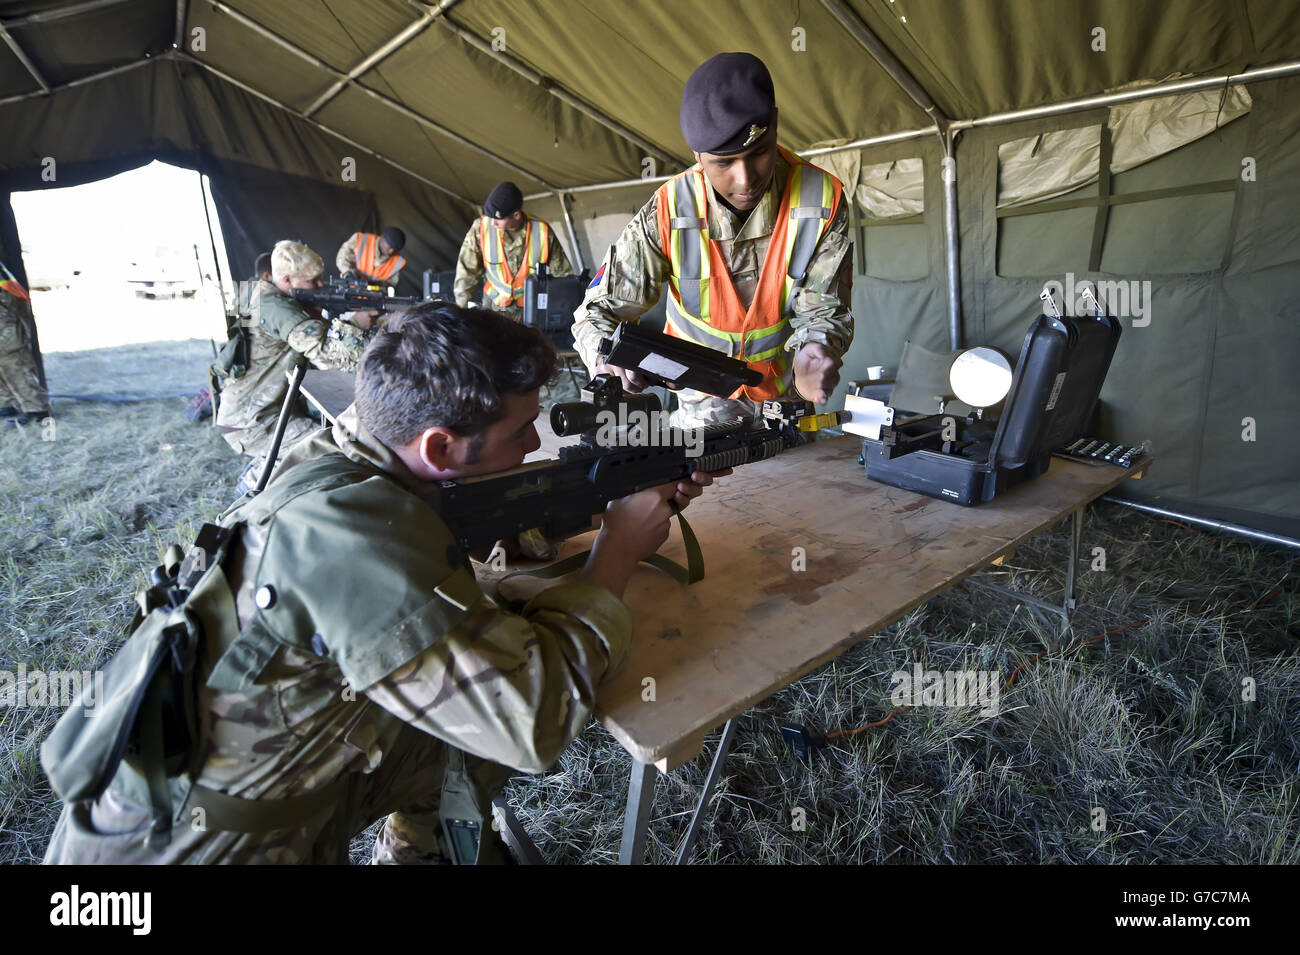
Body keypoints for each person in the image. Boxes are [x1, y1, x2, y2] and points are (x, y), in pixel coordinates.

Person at [42, 303, 724, 864]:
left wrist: (581, 501)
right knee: (489, 726)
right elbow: (532, 722)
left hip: (267, 770)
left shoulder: (342, 458)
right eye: (522, 431)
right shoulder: (355, 546)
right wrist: (617, 551)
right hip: (205, 847)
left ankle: (417, 851)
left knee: (454, 744)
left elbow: (440, 535)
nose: (532, 446)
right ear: (439, 447)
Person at [571, 52, 853, 428]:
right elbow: (597, 312)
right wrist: (605, 359)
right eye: (724, 163)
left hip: (785, 405)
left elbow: (824, 310)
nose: (745, 179)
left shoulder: (821, 200)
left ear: (776, 124)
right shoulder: (669, 211)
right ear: (697, 156)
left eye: (759, 152)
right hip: (700, 410)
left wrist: (817, 346)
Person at [214, 240, 371, 481]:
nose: (320, 285)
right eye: (312, 280)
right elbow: (327, 356)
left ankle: (273, 460)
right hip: (254, 422)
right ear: (287, 280)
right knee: (341, 448)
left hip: (255, 411)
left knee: (334, 433)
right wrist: (356, 324)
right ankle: (258, 479)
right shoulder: (277, 308)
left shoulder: (261, 292)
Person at [454, 181, 573, 321]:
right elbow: (466, 271)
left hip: (530, 310)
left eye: (498, 219)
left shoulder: (542, 231)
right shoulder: (480, 228)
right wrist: (460, 311)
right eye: (490, 217)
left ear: (516, 215)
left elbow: (563, 276)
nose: (492, 223)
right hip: (493, 309)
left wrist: (564, 311)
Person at [0, 259, 50, 426]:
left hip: (6, 327)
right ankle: (5, 405)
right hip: (6, 323)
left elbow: (11, 300)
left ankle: (36, 409)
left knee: (15, 365)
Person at [336, 226, 407, 287]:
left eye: (395, 249)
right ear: (383, 237)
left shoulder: (397, 262)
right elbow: (342, 259)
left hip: (374, 297)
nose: (391, 251)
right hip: (350, 290)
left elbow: (391, 285)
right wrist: (349, 274)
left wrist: (375, 286)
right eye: (390, 246)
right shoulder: (360, 240)